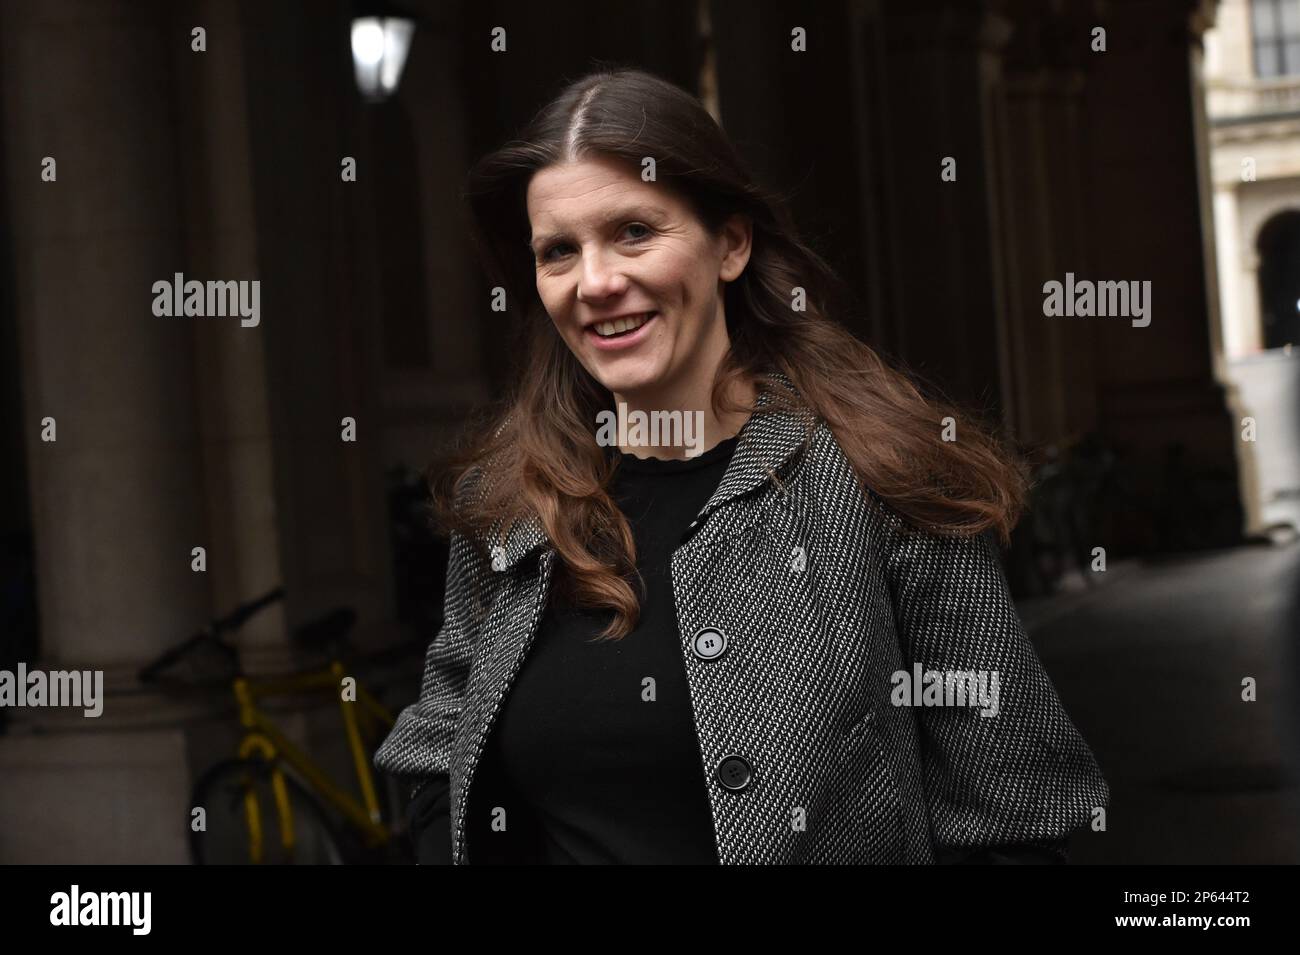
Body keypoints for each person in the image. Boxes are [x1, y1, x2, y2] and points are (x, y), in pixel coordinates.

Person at [374, 67, 1109, 865]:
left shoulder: (886, 479)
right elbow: (441, 744)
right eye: (559, 251)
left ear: (730, 243)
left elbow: (1011, 816)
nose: (596, 282)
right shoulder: (508, 504)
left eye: (634, 232)